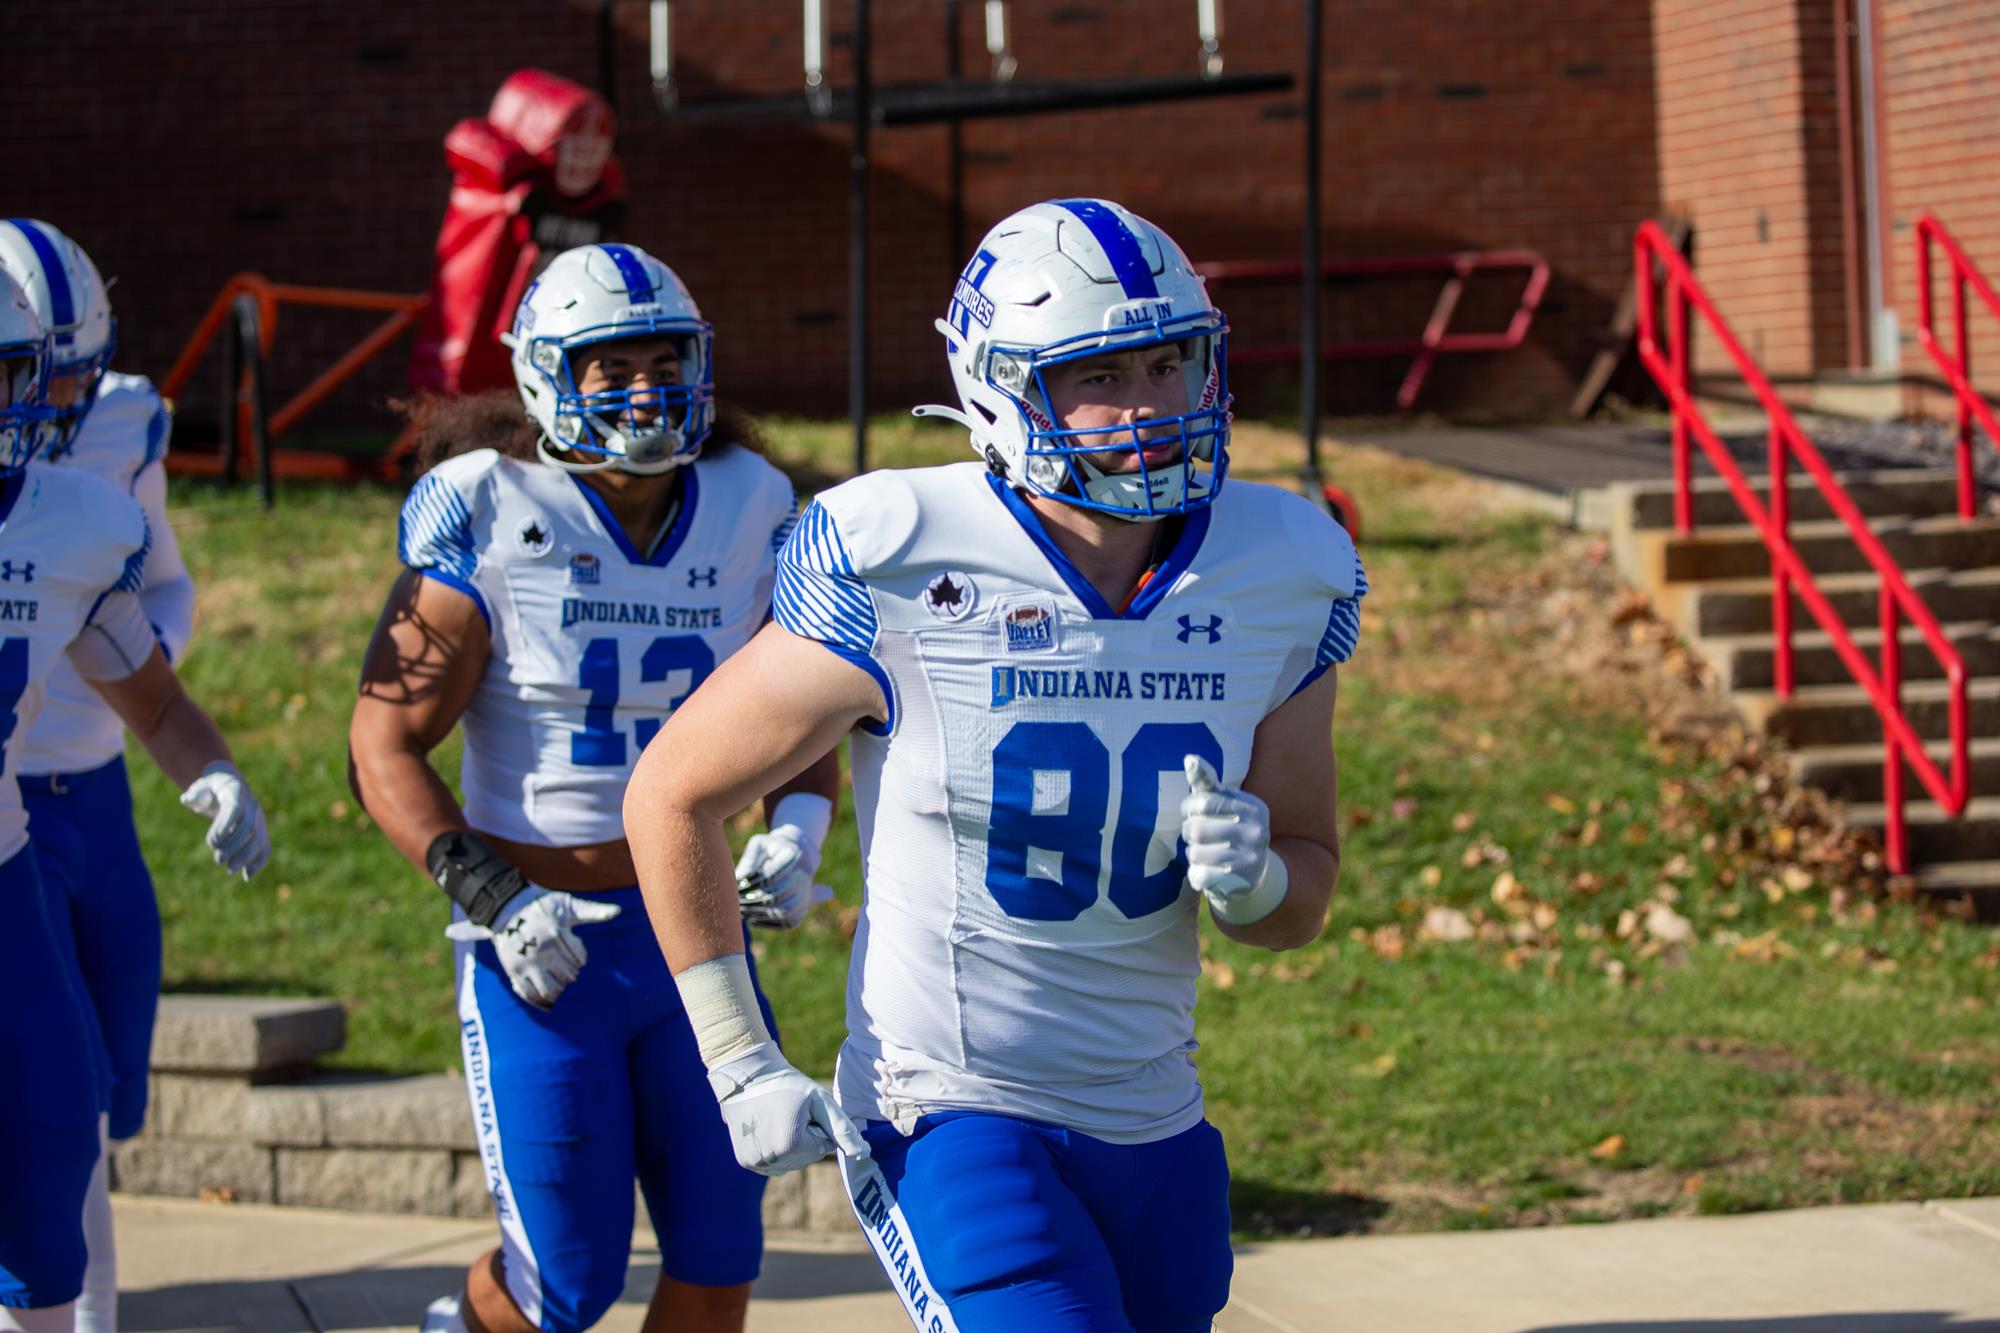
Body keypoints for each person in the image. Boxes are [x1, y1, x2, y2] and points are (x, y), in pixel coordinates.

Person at [625, 198, 1366, 1332]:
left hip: (1157, 1115)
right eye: (1102, 375)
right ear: (997, 389)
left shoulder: (1283, 565)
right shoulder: (902, 555)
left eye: (1170, 362)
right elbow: (673, 792)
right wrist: (736, 1057)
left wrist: (1261, 882)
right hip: (949, 1112)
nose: (1153, 406)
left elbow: (1300, 893)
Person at [349, 243, 837, 1333]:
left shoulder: (750, 500)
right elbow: (380, 743)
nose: (643, 390)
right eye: (608, 367)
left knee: (720, 1252)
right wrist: (490, 896)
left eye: (663, 360)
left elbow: (805, 697)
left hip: (694, 938)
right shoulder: (491, 509)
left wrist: (799, 825)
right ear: (543, 377)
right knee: (562, 1281)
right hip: (546, 947)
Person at [0, 273, 271, 1333]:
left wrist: (210, 767)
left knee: (54, 1128)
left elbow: (154, 702)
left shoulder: (71, 523)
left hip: (6, 867)